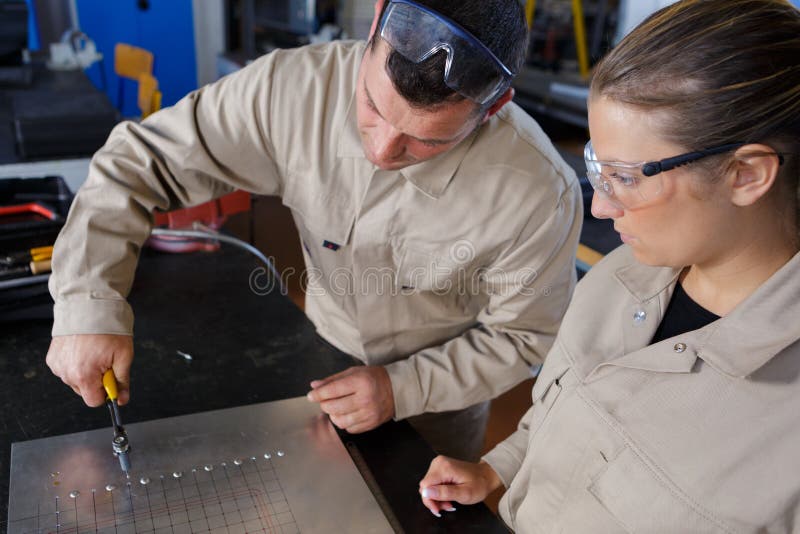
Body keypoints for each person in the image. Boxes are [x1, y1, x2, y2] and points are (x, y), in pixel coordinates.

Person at [45, 0, 583, 461]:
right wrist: (87, 302)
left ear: (494, 109)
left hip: (443, 401)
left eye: (428, 142)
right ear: (375, 23)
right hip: (320, 357)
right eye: (372, 106)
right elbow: (139, 161)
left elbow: (523, 335)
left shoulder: (537, 192)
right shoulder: (292, 90)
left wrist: (402, 389)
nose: (381, 151)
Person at [418, 0, 800, 528]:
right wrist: (499, 468)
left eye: (627, 177)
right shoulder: (618, 277)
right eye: (599, 167)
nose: (600, 206)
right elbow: (566, 415)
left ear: (746, 175)